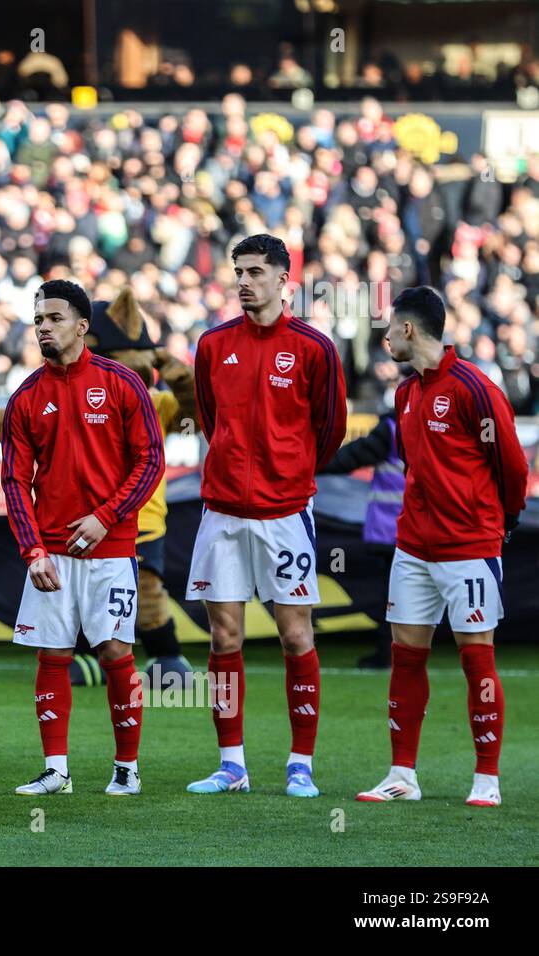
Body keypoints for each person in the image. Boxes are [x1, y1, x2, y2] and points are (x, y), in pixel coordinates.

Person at [184, 233, 347, 798]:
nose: (244, 281)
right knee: (224, 636)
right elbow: (209, 418)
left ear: (284, 279)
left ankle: (300, 762)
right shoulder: (212, 345)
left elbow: (331, 430)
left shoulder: (313, 347)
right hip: (222, 510)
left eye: (256, 272)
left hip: (286, 513)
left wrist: (290, 470)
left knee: (295, 634)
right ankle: (232, 765)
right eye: (239, 271)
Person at [357, 287, 528, 807]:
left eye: (389, 327)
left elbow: (513, 465)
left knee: (477, 659)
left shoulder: (475, 388)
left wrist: (504, 519)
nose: (384, 337)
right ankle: (402, 775)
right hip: (413, 548)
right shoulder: (405, 394)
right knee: (405, 657)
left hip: (469, 547)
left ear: (409, 329)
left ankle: (487, 779)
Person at [2, 280, 163, 796]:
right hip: (49, 552)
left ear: (82, 325)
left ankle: (127, 769)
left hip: (111, 550)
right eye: (38, 319)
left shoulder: (121, 383)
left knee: (116, 653)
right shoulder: (26, 396)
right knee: (52, 656)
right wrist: (32, 550)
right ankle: (57, 771)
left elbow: (151, 460)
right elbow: (13, 481)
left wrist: (105, 517)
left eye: (53, 318)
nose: (43, 327)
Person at [320, 412, 404, 668]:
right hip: (433, 529)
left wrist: (303, 463)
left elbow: (349, 458)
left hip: (394, 529)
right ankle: (394, 653)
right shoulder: (450, 422)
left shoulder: (393, 426)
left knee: (394, 597)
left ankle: (388, 654)